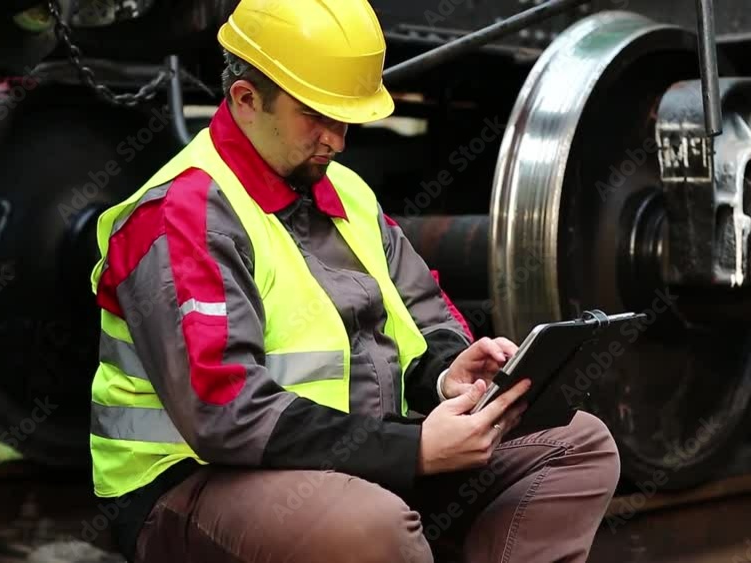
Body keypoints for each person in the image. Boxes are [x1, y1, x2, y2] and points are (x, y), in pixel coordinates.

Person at [86, 0, 620, 561]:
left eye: (344, 119)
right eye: (315, 115)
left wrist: (445, 378)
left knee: (579, 446)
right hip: (191, 483)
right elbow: (225, 412)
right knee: (371, 529)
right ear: (245, 99)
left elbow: (424, 310)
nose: (336, 140)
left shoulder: (346, 192)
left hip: (350, 459)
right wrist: (412, 450)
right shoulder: (183, 213)